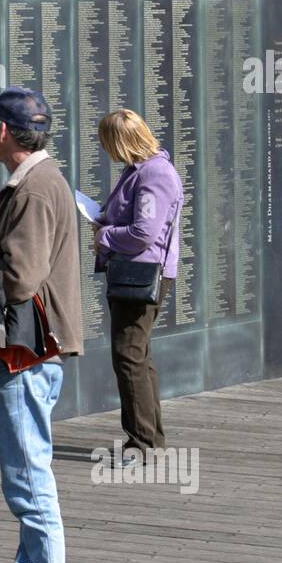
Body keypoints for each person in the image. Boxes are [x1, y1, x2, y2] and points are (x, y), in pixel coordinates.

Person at [0, 87, 83, 563]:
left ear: (3, 133)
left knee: (28, 473)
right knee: (26, 469)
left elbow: (20, 276)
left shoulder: (35, 190)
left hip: (25, 351)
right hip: (31, 350)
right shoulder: (41, 182)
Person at [93, 110, 183, 458]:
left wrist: (105, 234)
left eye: (107, 142)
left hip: (140, 277)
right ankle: (150, 438)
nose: (105, 149)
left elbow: (143, 234)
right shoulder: (139, 171)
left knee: (128, 356)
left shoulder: (154, 174)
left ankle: (142, 443)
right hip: (133, 274)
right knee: (137, 355)